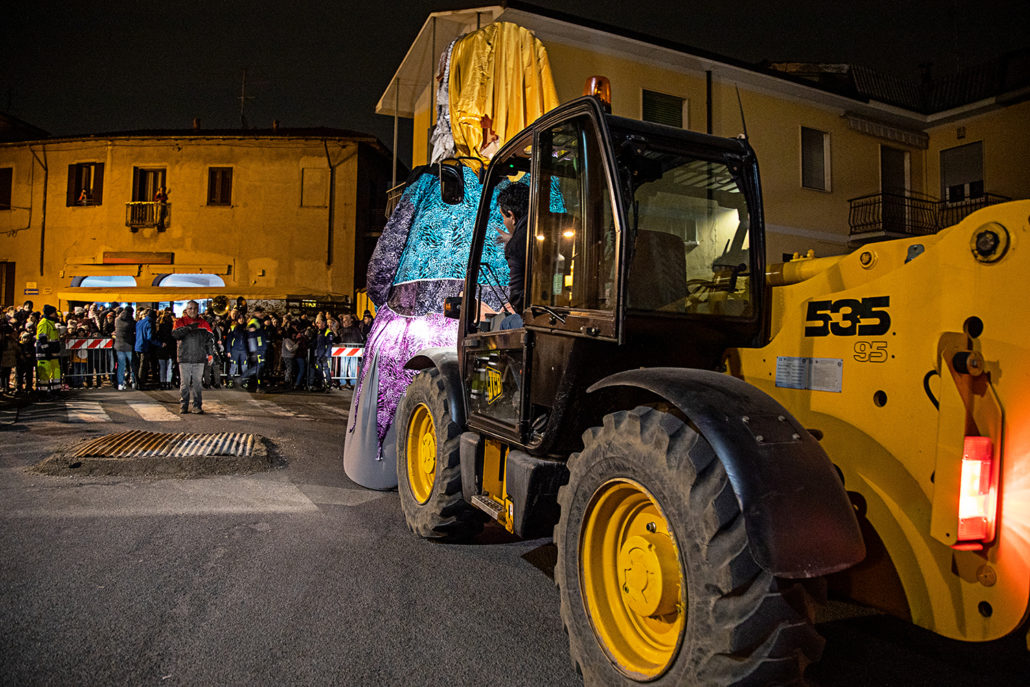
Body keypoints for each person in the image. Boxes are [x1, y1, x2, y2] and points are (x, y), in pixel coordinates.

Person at [494, 182, 529, 329]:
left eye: (504, 217)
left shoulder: (516, 245)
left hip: (542, 319)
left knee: (505, 323)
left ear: (512, 216)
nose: (504, 222)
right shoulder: (551, 225)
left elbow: (518, 300)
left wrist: (513, 242)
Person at [172, 300, 213, 414]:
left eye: (195, 308)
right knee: (184, 384)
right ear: (186, 310)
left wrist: (210, 354)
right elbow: (175, 335)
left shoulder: (203, 323)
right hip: (184, 357)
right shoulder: (180, 321)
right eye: (190, 308)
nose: (193, 311)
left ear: (198, 309)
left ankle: (197, 406)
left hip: (199, 358)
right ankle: (183, 405)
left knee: (197, 384)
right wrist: (188, 328)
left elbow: (209, 341)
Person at [34, 304, 62, 397]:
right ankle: (43, 394)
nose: (56, 314)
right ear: (50, 313)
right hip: (45, 355)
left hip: (53, 354)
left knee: (56, 373)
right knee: (44, 375)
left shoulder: (51, 323)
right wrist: (47, 351)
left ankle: (55, 391)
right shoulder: (44, 323)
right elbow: (42, 339)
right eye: (54, 313)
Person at [241, 306, 268, 392]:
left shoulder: (259, 322)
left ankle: (257, 385)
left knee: (260, 367)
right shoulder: (254, 322)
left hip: (261, 348)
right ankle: (257, 386)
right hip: (259, 349)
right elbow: (251, 337)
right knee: (259, 367)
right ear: (256, 313)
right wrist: (253, 351)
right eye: (261, 313)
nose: (262, 314)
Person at [134, 308, 159, 389]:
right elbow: (150, 337)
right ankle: (141, 383)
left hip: (137, 345)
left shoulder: (139, 322)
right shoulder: (150, 323)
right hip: (144, 346)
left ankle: (137, 382)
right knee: (143, 366)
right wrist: (159, 344)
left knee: (138, 365)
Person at [113, 306, 136, 389]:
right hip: (129, 345)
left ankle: (120, 383)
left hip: (119, 345)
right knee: (132, 365)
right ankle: (133, 381)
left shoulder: (117, 320)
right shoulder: (131, 322)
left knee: (121, 366)